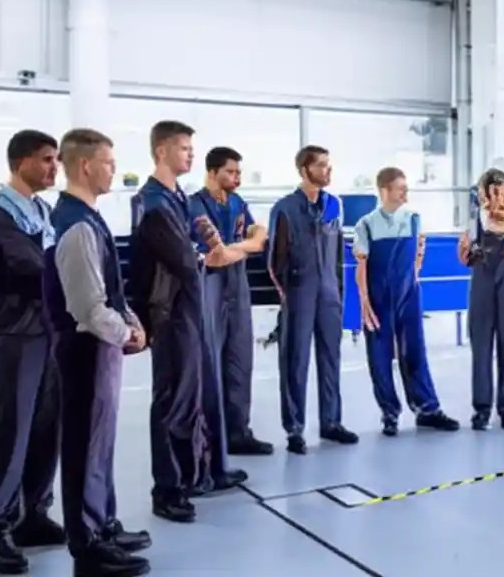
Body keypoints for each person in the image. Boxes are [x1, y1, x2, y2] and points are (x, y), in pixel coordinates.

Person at [42, 128, 152, 576]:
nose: (114, 169)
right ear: (85, 165)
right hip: (86, 347)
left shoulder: (88, 217)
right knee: (85, 443)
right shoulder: (75, 226)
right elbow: (87, 306)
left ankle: (103, 523)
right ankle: (86, 546)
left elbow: (112, 290)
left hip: (101, 345)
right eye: (108, 161)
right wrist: (127, 333)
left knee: (100, 441)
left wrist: (132, 322)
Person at [128, 121, 246, 524]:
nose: (191, 155)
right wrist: (207, 255)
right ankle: (169, 488)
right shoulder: (154, 202)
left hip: (191, 308)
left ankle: (200, 472)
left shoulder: (177, 198)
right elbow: (183, 258)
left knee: (200, 395)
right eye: (183, 148)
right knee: (174, 400)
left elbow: (192, 247)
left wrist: (203, 248)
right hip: (172, 312)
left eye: (192, 148)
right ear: (161, 151)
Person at [0, 129, 65, 574]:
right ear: (21, 161)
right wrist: (68, 276)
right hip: (10, 336)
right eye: (46, 159)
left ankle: (34, 514)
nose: (53, 168)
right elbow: (24, 265)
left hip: (46, 334)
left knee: (47, 428)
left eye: (56, 160)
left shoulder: (42, 210)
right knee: (9, 433)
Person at [353, 166, 460, 436]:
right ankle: (389, 413)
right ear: (384, 190)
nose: (405, 194)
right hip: (378, 298)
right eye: (401, 189)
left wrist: (413, 278)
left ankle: (427, 409)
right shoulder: (366, 224)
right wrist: (365, 303)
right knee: (379, 356)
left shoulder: (413, 219)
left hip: (408, 295)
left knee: (415, 352)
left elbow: (417, 253)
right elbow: (361, 267)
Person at [267, 145, 359, 454]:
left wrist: (340, 294)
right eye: (321, 165)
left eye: (328, 165)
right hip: (299, 291)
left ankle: (331, 422)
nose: (327, 171)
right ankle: (294, 429)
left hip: (330, 292)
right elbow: (274, 259)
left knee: (331, 358)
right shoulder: (284, 208)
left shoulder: (335, 205)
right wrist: (286, 295)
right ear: (304, 170)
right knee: (295, 359)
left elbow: (336, 256)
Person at [190, 147, 274, 457]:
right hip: (209, 286)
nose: (236, 178)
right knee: (209, 363)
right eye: (230, 172)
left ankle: (238, 432)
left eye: (238, 172)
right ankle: (209, 438)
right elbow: (211, 257)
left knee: (240, 359)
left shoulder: (238, 203)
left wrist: (235, 249)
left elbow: (257, 239)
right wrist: (241, 248)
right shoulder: (194, 206)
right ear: (212, 173)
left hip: (238, 287)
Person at [459, 168, 504, 431]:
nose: (499, 196)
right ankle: (482, 408)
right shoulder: (475, 218)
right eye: (494, 190)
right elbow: (463, 255)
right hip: (482, 280)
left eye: (503, 190)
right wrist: (466, 250)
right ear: (485, 192)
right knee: (481, 346)